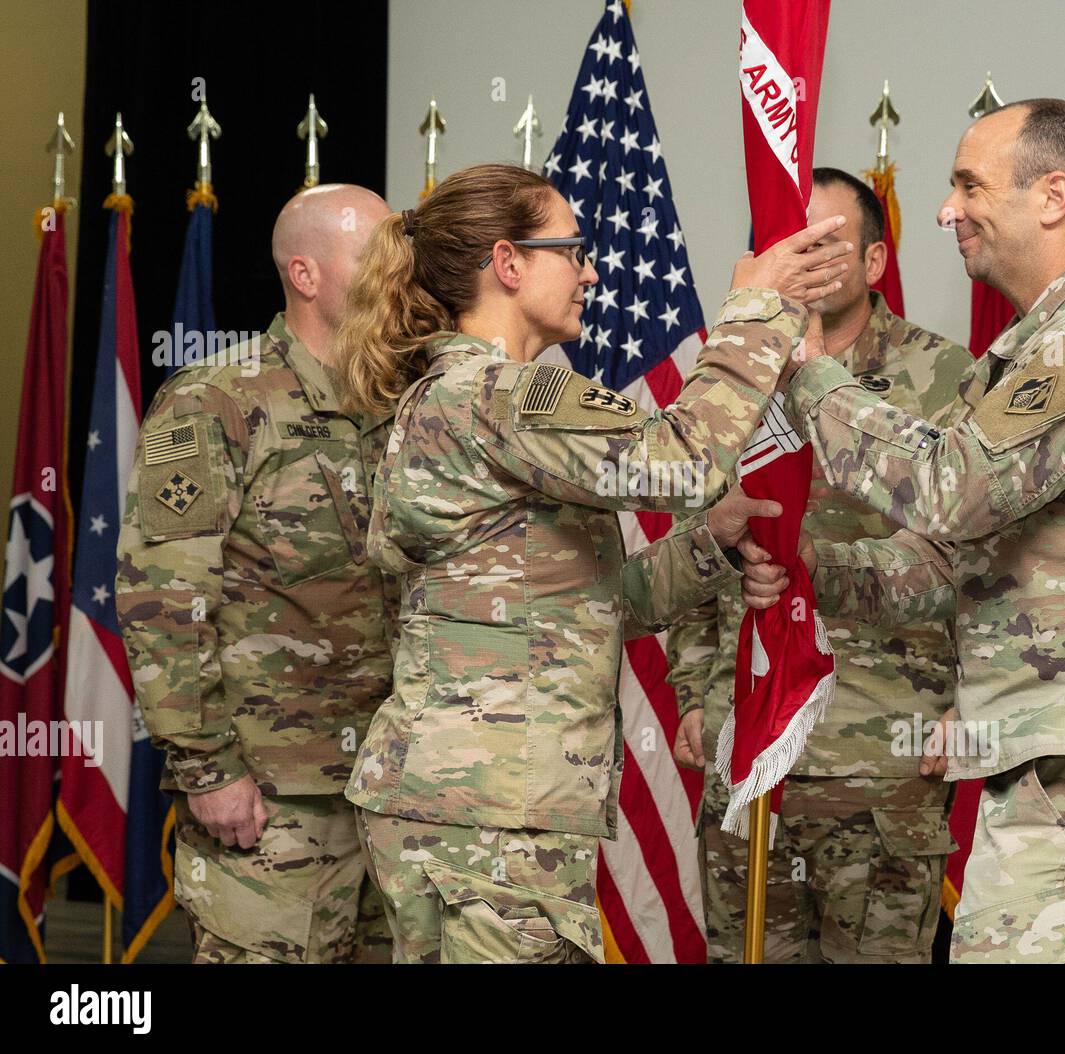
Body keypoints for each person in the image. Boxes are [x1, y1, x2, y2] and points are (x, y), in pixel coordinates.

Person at [741, 99, 1065, 964]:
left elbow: (950, 491)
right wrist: (806, 568)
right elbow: (943, 564)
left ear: (1051, 195)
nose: (945, 209)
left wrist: (810, 377)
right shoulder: (1029, 357)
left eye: (969, 184)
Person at [336, 163, 852, 964]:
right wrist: (760, 306)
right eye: (571, 249)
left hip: (477, 798)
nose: (590, 270)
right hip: (493, 810)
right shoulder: (502, 397)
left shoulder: (469, 397)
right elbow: (679, 460)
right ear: (508, 264)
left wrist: (709, 545)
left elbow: (590, 606)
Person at [667, 167, 971, 963]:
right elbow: (699, 532)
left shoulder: (944, 376)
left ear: (874, 264)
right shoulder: (730, 375)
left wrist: (968, 702)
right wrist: (695, 687)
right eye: (784, 243)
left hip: (883, 762)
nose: (800, 258)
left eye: (824, 242)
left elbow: (976, 552)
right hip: (750, 751)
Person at [116, 184, 398, 963]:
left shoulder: (402, 406)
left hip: (392, 788)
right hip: (273, 795)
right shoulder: (215, 402)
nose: (396, 270)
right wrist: (206, 769)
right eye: (375, 253)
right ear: (305, 276)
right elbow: (162, 602)